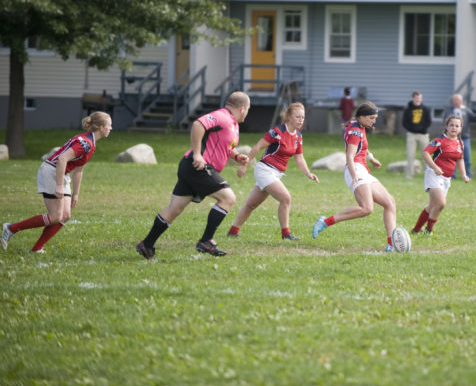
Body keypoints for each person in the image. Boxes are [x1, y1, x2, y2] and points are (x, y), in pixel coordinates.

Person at [135, 91, 251, 260]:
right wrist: (197, 154)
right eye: (248, 109)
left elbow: (222, 144)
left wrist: (235, 156)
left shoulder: (233, 123)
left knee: (175, 209)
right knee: (228, 198)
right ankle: (206, 241)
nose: (247, 113)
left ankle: (147, 244)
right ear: (242, 109)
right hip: (198, 166)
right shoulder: (222, 116)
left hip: (191, 167)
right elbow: (198, 125)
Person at [2, 112, 112, 254]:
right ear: (101, 127)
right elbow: (62, 159)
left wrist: (76, 194)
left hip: (60, 172)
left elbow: (79, 170)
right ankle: (11, 228)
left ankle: (36, 249)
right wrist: (60, 185)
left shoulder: (90, 143)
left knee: (65, 215)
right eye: (109, 125)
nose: (111, 128)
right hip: (51, 172)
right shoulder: (85, 143)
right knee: (55, 216)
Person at [227, 103, 319, 241]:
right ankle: (286, 234)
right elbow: (257, 146)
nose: (301, 120)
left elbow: (299, 157)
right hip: (265, 170)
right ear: (288, 117)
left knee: (252, 204)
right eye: (297, 116)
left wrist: (308, 173)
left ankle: (233, 231)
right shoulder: (277, 131)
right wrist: (245, 166)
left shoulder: (298, 136)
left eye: (303, 117)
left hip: (275, 174)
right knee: (286, 198)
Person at [313, 102, 398, 252]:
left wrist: (371, 158)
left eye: (375, 118)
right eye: (371, 118)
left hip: (362, 169)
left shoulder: (358, 125)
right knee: (367, 208)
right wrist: (354, 176)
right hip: (356, 170)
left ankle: (391, 243)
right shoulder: (355, 131)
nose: (374, 121)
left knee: (390, 203)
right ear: (362, 117)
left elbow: (362, 145)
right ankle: (326, 221)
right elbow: (350, 156)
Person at [412, 115, 470, 234]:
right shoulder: (439, 141)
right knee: (441, 203)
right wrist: (435, 167)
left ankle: (417, 230)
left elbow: (460, 159)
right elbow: (426, 153)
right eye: (451, 125)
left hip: (446, 178)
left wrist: (464, 174)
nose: (454, 127)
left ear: (460, 128)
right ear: (446, 126)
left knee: (434, 205)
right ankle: (429, 230)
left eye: (457, 126)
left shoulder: (460, 143)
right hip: (434, 175)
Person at [446, 93, 476, 178]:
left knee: (466, 157)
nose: (458, 101)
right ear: (453, 101)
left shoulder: (466, 110)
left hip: (465, 137)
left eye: (459, 100)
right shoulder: (449, 111)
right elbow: (445, 123)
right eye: (456, 100)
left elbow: (474, 118)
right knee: (451, 157)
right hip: (452, 138)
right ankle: (452, 175)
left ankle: (467, 174)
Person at [402, 91, 432, 179]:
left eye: (419, 98)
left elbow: (428, 122)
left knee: (426, 155)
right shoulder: (408, 110)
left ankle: (428, 174)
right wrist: (411, 129)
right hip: (411, 134)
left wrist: (421, 129)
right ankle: (409, 175)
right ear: (413, 98)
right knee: (410, 155)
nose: (418, 100)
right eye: (416, 98)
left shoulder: (426, 109)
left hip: (423, 135)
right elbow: (404, 122)